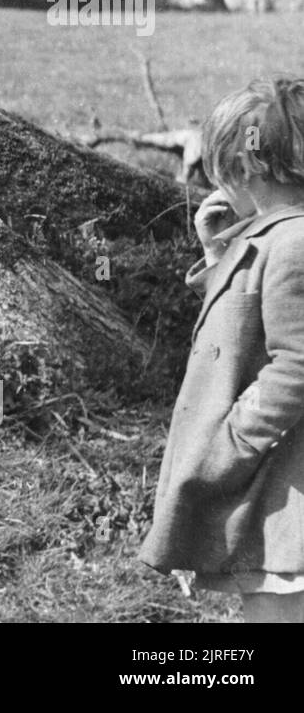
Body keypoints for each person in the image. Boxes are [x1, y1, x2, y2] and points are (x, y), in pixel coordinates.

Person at [140, 77, 304, 623]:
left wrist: (231, 442)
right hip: (272, 482)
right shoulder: (273, 236)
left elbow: (296, 366)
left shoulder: (293, 243)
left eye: (222, 166)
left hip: (284, 486)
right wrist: (218, 255)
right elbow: (242, 328)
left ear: (248, 164)